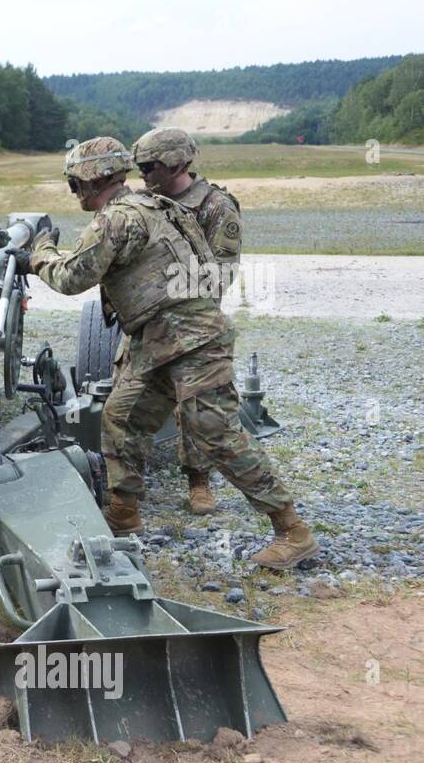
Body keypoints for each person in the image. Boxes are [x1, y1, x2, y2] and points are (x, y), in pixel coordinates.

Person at [28, 136, 318, 570]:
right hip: (156, 339)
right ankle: (123, 516)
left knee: (215, 434)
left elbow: (71, 278)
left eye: (75, 184)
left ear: (93, 180)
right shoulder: (151, 206)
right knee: (122, 417)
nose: (74, 193)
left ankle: (292, 531)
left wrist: (40, 252)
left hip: (192, 339)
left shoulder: (118, 219)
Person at [124, 125, 244, 514]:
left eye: (149, 165)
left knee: (196, 405)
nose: (142, 172)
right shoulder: (145, 203)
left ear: (177, 163)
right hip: (144, 323)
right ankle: (125, 488)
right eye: (139, 165)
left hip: (191, 327)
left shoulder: (215, 207)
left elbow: (219, 275)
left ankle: (199, 482)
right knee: (127, 404)